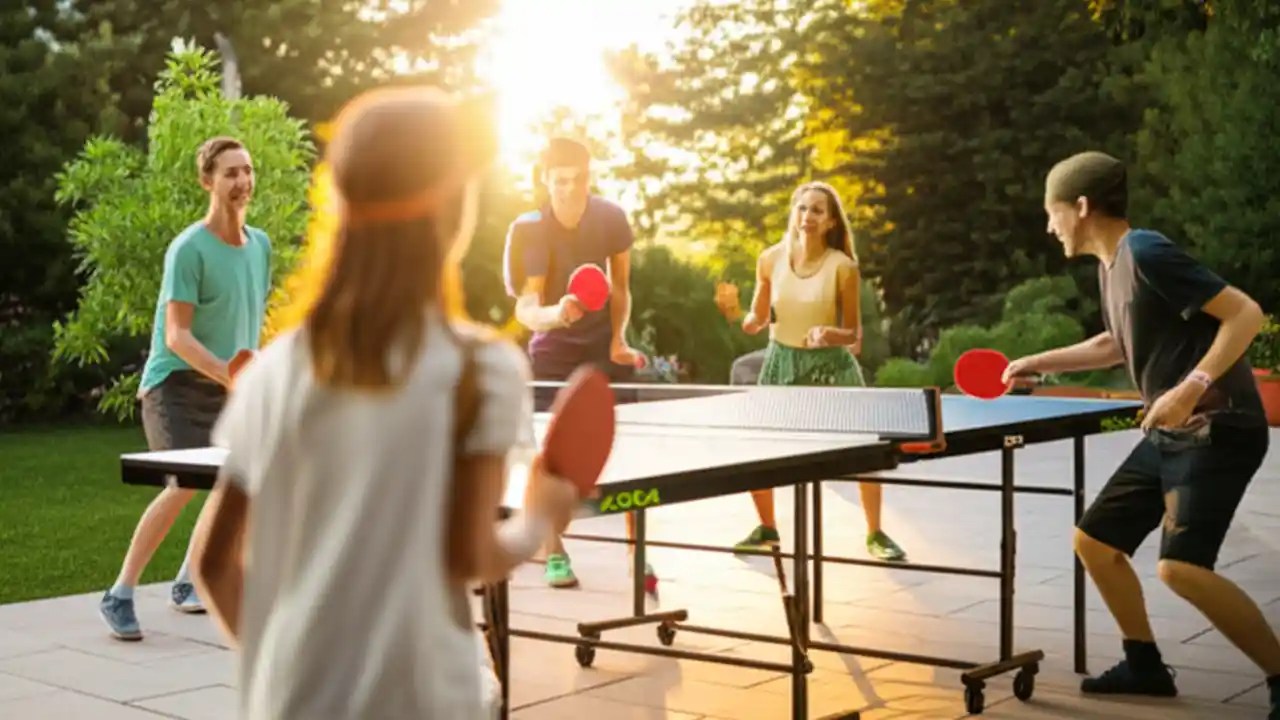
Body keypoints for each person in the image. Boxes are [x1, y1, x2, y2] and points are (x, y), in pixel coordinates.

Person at [187, 85, 578, 720]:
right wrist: (540, 518)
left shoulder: (277, 369)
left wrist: (288, 670)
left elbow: (212, 563)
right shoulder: (479, 368)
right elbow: (472, 554)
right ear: (452, 212)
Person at [1003, 150, 1279, 717]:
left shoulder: (1145, 250)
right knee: (1095, 542)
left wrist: (1188, 387)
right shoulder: (1113, 266)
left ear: (1080, 206)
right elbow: (1112, 343)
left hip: (1219, 427)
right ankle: (1144, 665)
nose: (1048, 225)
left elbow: (1246, 313)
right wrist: (1036, 359)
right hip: (1174, 430)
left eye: (1051, 212)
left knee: (1179, 568)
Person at [98, 136, 270, 641]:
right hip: (174, 383)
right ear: (207, 182)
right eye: (230, 173)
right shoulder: (189, 248)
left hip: (227, 382)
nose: (242, 181)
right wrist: (226, 372)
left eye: (247, 170)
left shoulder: (259, 245)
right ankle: (120, 593)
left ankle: (189, 580)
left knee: (239, 483)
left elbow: (248, 316)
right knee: (185, 484)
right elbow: (177, 335)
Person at [720, 182, 906, 562]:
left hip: (831, 367)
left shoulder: (843, 267)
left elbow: (853, 333)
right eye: (802, 208)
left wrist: (828, 334)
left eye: (817, 210)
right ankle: (767, 528)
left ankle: (875, 533)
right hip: (781, 363)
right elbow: (757, 318)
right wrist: (740, 315)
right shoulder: (769, 259)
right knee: (757, 447)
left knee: (865, 450)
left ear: (830, 221)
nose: (807, 216)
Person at [503, 137, 655, 591]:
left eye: (578, 180)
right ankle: (554, 551)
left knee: (630, 453)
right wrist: (557, 314)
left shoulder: (610, 217)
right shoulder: (530, 229)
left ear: (589, 177)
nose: (569, 190)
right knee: (550, 458)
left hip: (601, 348)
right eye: (560, 181)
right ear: (545, 179)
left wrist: (619, 341)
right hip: (552, 351)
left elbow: (621, 288)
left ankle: (638, 552)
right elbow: (526, 308)